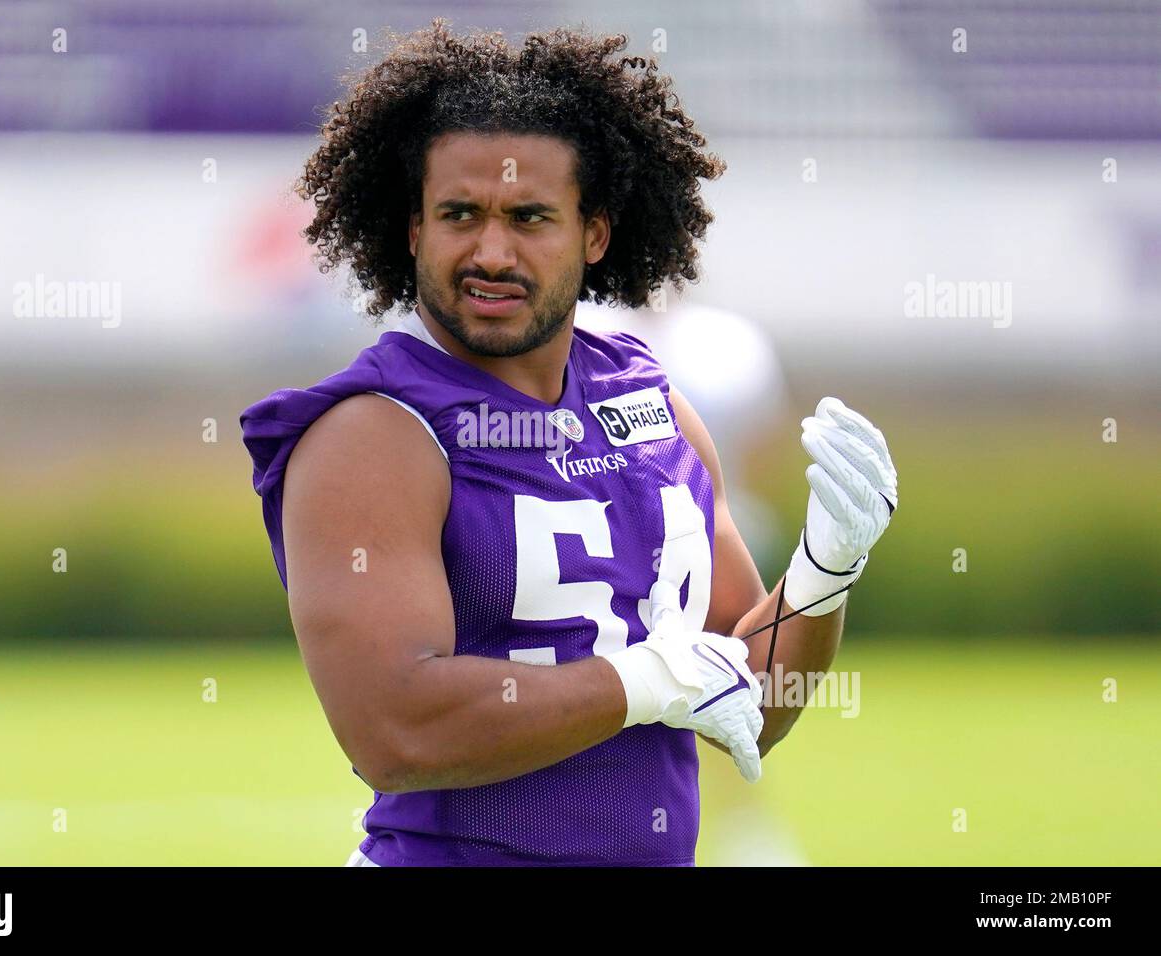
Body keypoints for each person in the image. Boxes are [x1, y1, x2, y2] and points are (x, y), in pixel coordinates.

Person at [241, 20, 898, 866]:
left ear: (594, 233)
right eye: (459, 214)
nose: (490, 250)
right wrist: (642, 682)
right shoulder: (374, 431)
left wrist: (823, 572)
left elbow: (748, 704)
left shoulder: (651, 404)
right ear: (412, 230)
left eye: (529, 217)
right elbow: (395, 727)